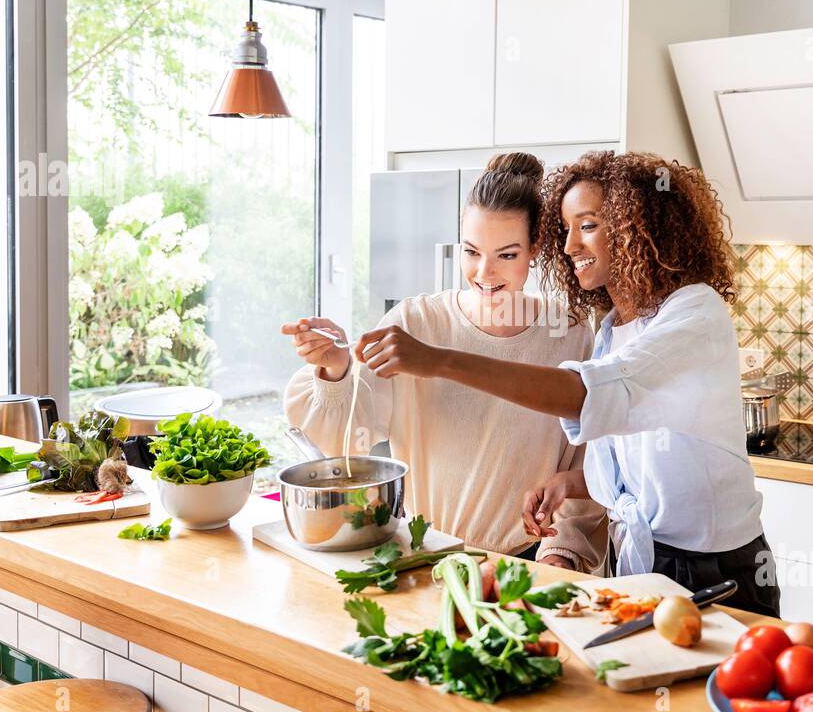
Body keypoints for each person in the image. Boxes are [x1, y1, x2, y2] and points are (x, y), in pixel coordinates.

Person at [351, 151, 781, 616]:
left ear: (639, 224)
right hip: (637, 558)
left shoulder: (694, 313)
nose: (571, 245)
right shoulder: (612, 329)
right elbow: (636, 460)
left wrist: (439, 360)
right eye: (566, 228)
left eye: (588, 225)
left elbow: (586, 394)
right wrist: (572, 484)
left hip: (716, 567)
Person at [281, 152, 605, 571]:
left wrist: (561, 551)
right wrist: (335, 369)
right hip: (421, 555)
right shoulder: (415, 323)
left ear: (535, 248)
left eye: (506, 255)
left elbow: (587, 463)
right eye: (472, 252)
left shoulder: (570, 333)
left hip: (526, 567)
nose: (485, 273)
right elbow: (348, 439)